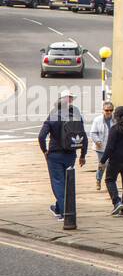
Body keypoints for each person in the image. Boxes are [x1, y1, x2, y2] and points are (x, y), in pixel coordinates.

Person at [37, 91, 87, 219]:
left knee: (58, 183)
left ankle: (65, 213)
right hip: (70, 154)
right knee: (67, 182)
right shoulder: (75, 115)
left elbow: (41, 136)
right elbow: (83, 135)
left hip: (54, 155)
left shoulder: (53, 116)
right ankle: (59, 209)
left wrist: (44, 151)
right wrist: (83, 155)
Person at [90, 100, 114, 191]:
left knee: (111, 165)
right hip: (101, 147)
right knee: (102, 164)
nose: (108, 112)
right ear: (103, 110)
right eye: (107, 110)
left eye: (111, 110)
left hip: (112, 147)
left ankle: (109, 181)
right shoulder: (97, 120)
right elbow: (93, 133)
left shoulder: (115, 119)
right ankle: (98, 180)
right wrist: (97, 141)